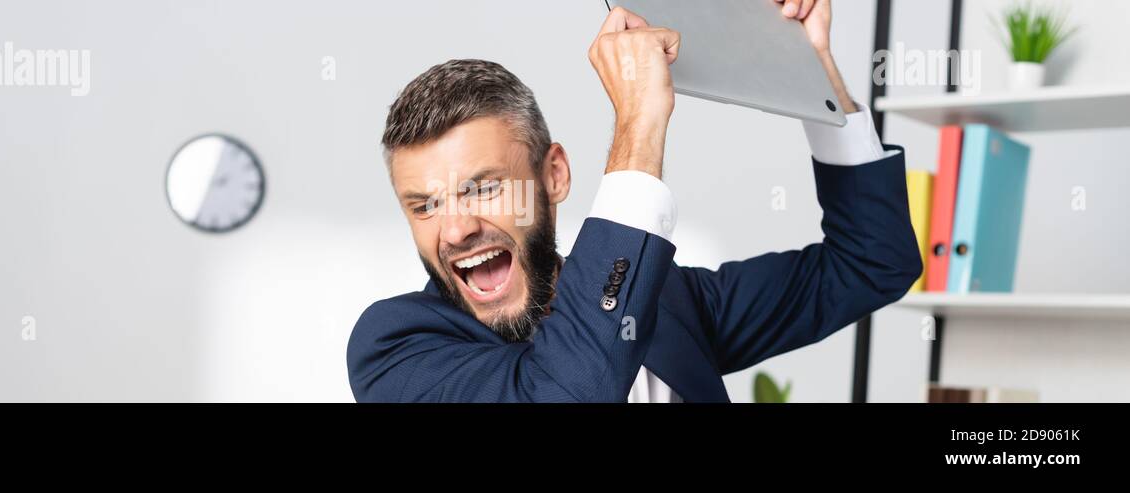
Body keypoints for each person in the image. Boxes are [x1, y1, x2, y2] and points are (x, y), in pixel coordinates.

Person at [347, 0, 921, 402]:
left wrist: (808, 69)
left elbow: (871, 264)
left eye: (483, 187)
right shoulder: (397, 347)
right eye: (424, 206)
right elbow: (571, 392)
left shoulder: (663, 299)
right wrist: (640, 123)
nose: (455, 230)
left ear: (554, 176)